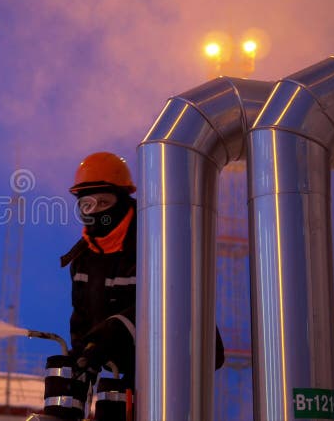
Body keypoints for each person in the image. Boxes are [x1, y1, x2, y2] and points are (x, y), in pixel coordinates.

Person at [60, 152, 224, 409]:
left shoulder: (156, 242)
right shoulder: (83, 259)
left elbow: (174, 302)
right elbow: (82, 323)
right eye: (87, 205)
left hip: (174, 374)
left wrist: (118, 328)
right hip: (124, 381)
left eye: (104, 202)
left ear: (125, 200)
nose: (96, 211)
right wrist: (78, 370)